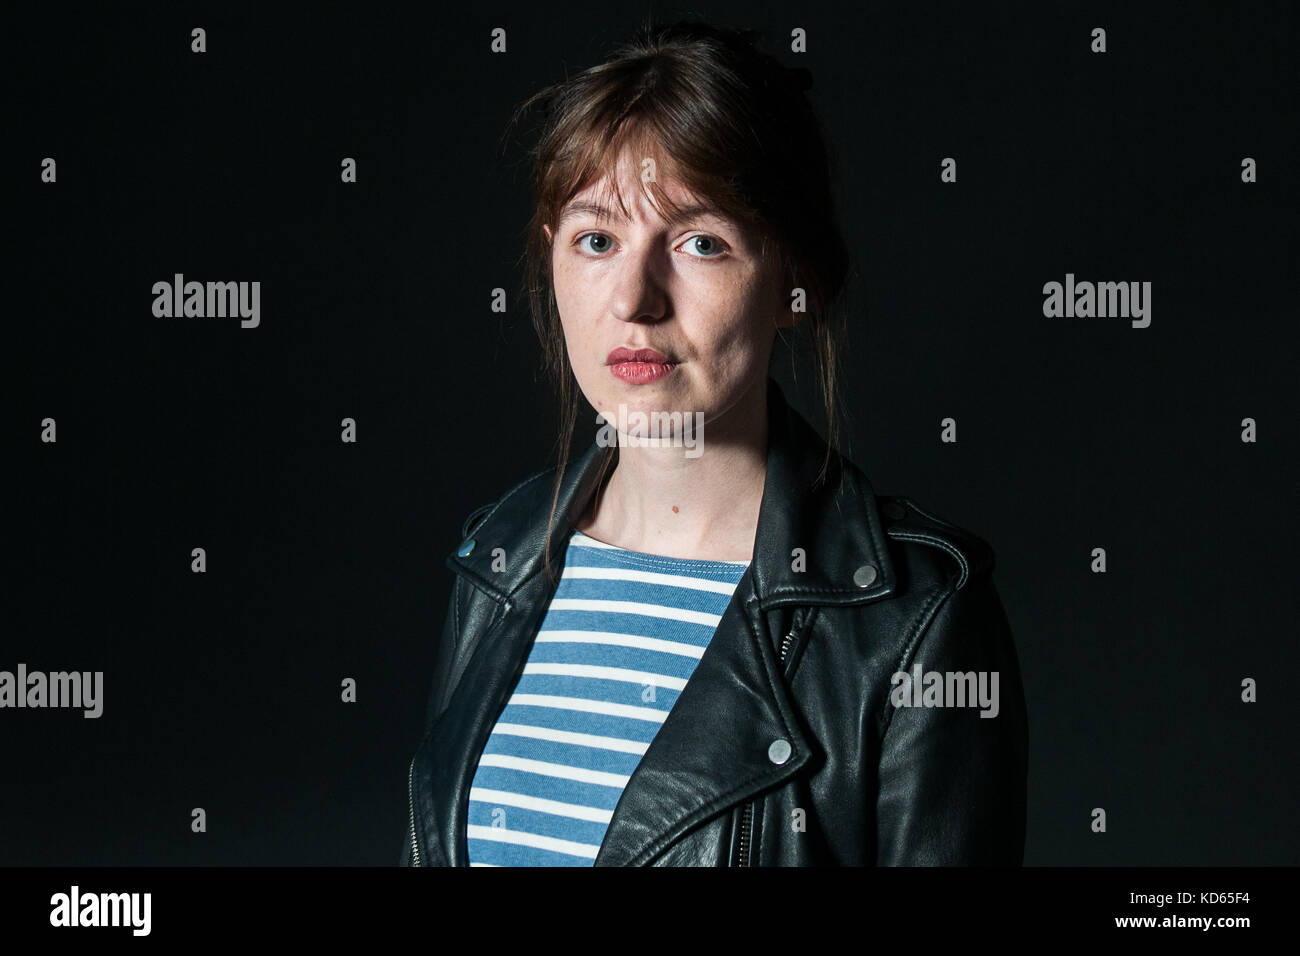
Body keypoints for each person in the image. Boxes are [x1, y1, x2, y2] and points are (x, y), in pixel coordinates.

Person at [402, 18, 1027, 867]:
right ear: (551, 261)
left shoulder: (915, 619)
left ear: (793, 285)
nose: (634, 298)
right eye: (597, 240)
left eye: (701, 242)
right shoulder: (500, 555)